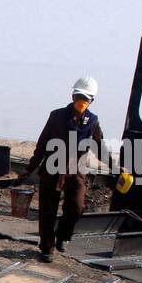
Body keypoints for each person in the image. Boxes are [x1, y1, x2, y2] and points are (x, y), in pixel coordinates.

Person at [25, 76, 110, 263]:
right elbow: (41, 145)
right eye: (79, 96)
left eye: (86, 98)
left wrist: (116, 167)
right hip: (52, 167)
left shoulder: (93, 122)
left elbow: (100, 148)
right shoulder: (56, 116)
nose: (82, 101)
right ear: (73, 96)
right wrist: (29, 169)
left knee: (76, 206)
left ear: (91, 101)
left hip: (76, 169)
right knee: (47, 209)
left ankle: (63, 235)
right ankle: (47, 248)